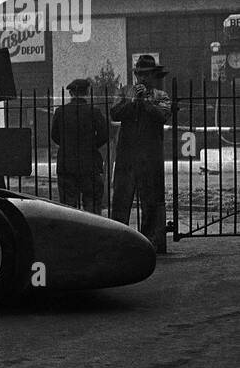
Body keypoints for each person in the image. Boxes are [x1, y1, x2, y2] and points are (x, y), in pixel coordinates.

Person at [110, 55, 172, 252]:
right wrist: (133, 101)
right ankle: (119, 243)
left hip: (150, 157)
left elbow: (162, 116)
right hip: (126, 156)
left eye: (147, 74)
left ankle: (148, 245)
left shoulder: (161, 95)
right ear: (135, 74)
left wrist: (144, 102)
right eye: (139, 74)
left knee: (151, 202)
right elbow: (115, 113)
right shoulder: (124, 92)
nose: (143, 78)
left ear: (153, 75)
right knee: (121, 201)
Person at [50, 77, 109, 214]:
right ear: (87, 92)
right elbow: (104, 135)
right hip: (89, 163)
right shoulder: (94, 112)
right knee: (92, 204)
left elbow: (55, 136)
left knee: (68, 207)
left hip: (67, 163)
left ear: (71, 94)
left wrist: (67, 145)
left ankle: (71, 234)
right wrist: (91, 145)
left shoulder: (60, 112)